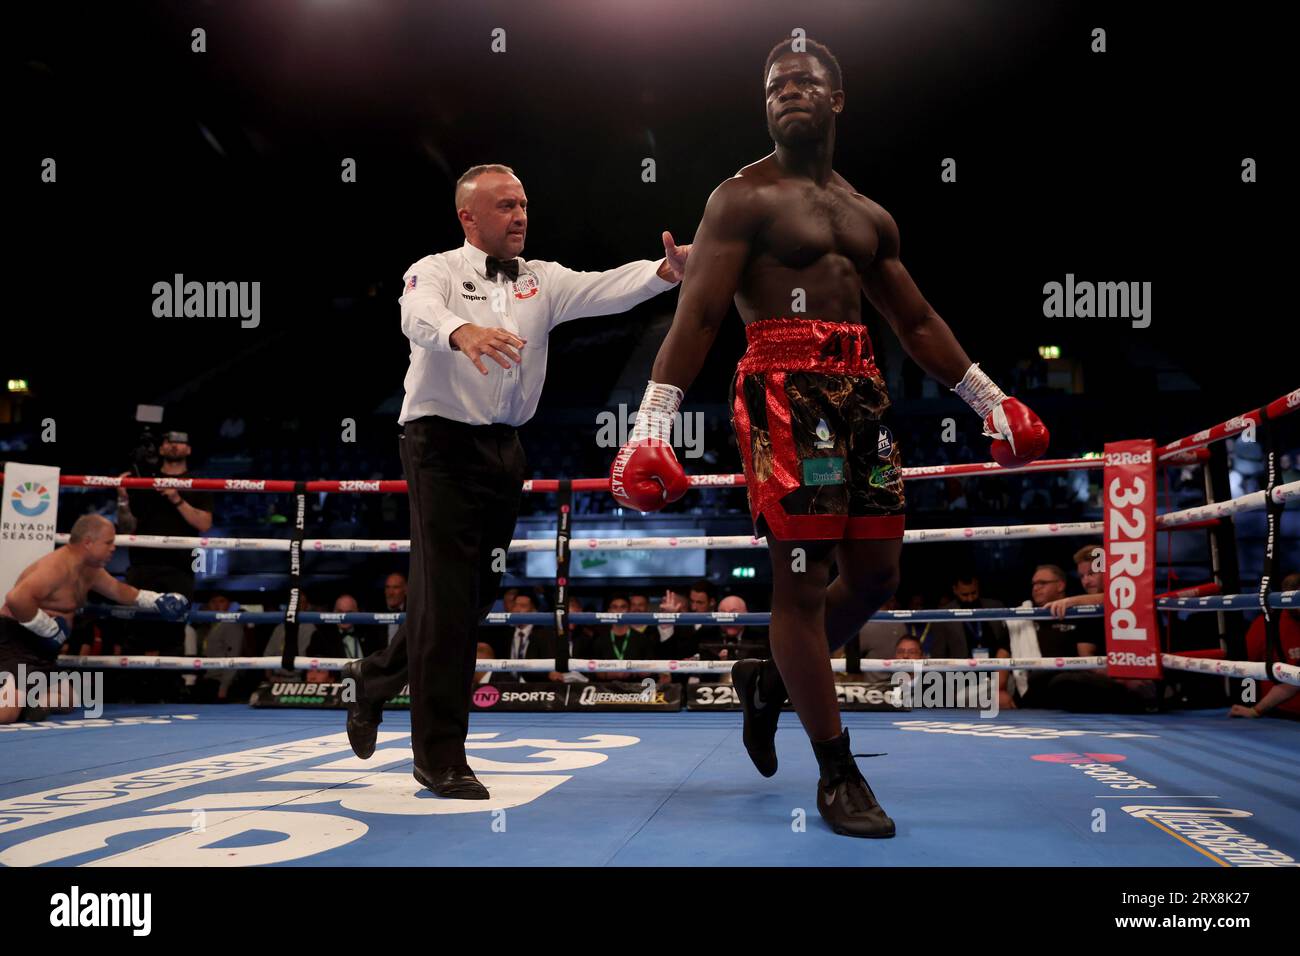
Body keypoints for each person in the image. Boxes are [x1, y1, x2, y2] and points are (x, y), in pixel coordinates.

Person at [609, 38, 1048, 837]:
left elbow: (914, 320)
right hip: (784, 390)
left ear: (837, 100)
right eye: (775, 86)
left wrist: (992, 399)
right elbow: (700, 313)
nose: (788, 94)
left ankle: (770, 680)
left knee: (878, 577)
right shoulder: (740, 198)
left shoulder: (866, 214)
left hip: (864, 395)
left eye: (806, 82)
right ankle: (837, 770)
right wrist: (650, 425)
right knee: (802, 584)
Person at [340, 163, 689, 799]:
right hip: (438, 445)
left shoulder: (543, 281)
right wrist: (460, 329)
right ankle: (439, 757)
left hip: (506, 449)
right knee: (446, 601)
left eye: (524, 203)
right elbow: (413, 310)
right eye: (505, 205)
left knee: (471, 597)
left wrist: (664, 273)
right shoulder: (438, 269)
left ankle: (375, 677)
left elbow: (606, 288)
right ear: (468, 217)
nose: (520, 215)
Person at [1, 515, 188, 723]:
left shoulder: (90, 570)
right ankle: (16, 705)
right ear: (88, 542)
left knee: (66, 700)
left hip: (43, 650)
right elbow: (16, 599)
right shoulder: (55, 567)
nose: (113, 548)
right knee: (6, 713)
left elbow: (120, 591)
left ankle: (27, 705)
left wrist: (157, 600)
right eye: (108, 542)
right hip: (16, 645)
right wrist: (48, 629)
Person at [114, 429, 213, 701]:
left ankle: (170, 688)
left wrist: (176, 498)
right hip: (142, 563)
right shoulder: (142, 479)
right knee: (136, 629)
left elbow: (204, 523)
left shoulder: (198, 482)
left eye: (180, 442)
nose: (174, 446)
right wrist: (123, 497)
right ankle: (133, 689)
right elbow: (127, 526)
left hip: (177, 565)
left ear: (188, 450)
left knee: (173, 630)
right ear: (162, 447)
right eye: (169, 441)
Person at [1229, 571, 1300, 719]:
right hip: (1280, 714)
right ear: (1285, 598)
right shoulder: (1266, 625)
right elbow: (1246, 667)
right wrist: (1250, 704)